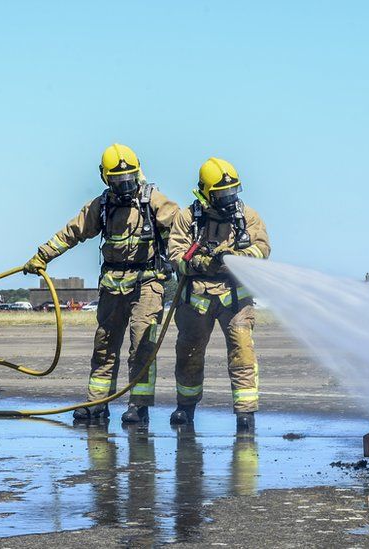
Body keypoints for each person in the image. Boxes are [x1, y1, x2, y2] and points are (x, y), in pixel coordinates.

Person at [23, 144, 179, 423]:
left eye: (128, 179)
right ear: (105, 178)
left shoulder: (154, 201)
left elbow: (180, 231)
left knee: (142, 345)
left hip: (147, 284)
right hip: (112, 284)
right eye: (118, 181)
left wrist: (186, 262)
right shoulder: (102, 206)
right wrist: (42, 256)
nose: (124, 186)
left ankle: (139, 406)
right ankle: (97, 402)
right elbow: (71, 232)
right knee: (104, 345)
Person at [167, 157, 271, 431]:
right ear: (205, 193)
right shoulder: (187, 218)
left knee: (242, 354)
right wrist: (203, 263)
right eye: (222, 194)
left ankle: (245, 413)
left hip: (235, 299)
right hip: (195, 300)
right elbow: (176, 256)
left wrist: (236, 257)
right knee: (189, 353)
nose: (228, 199)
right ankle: (185, 407)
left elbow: (262, 250)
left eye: (232, 192)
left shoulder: (247, 216)